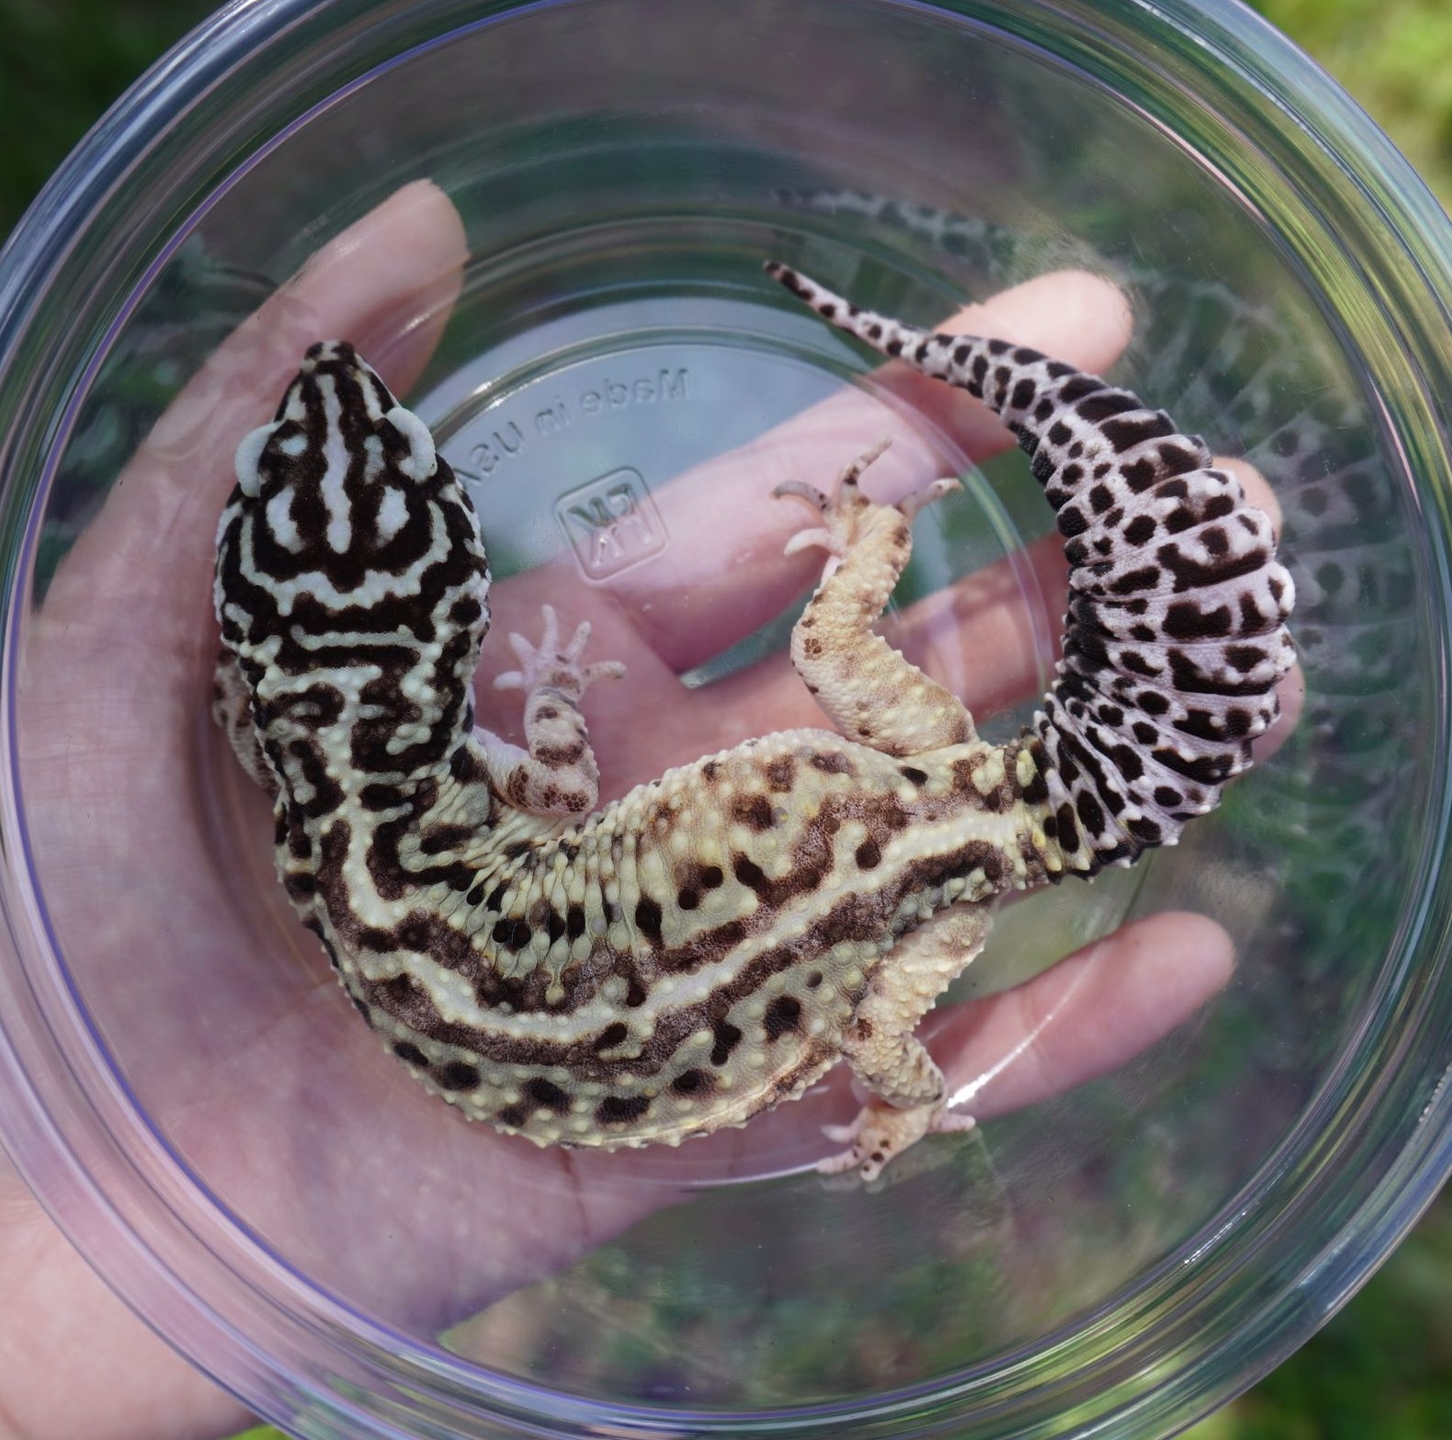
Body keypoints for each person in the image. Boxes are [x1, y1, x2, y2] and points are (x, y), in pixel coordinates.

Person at [0, 181, 1293, 1439]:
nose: (361, 407)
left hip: (896, 897)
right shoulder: (335, 785)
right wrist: (557, 698)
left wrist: (895, 1098)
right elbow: (549, 781)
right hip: (919, 823)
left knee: (880, 1033)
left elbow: (523, 792)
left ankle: (895, 1057)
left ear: (258, 644)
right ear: (447, 608)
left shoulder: (310, 774)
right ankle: (871, 547)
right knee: (838, 662)